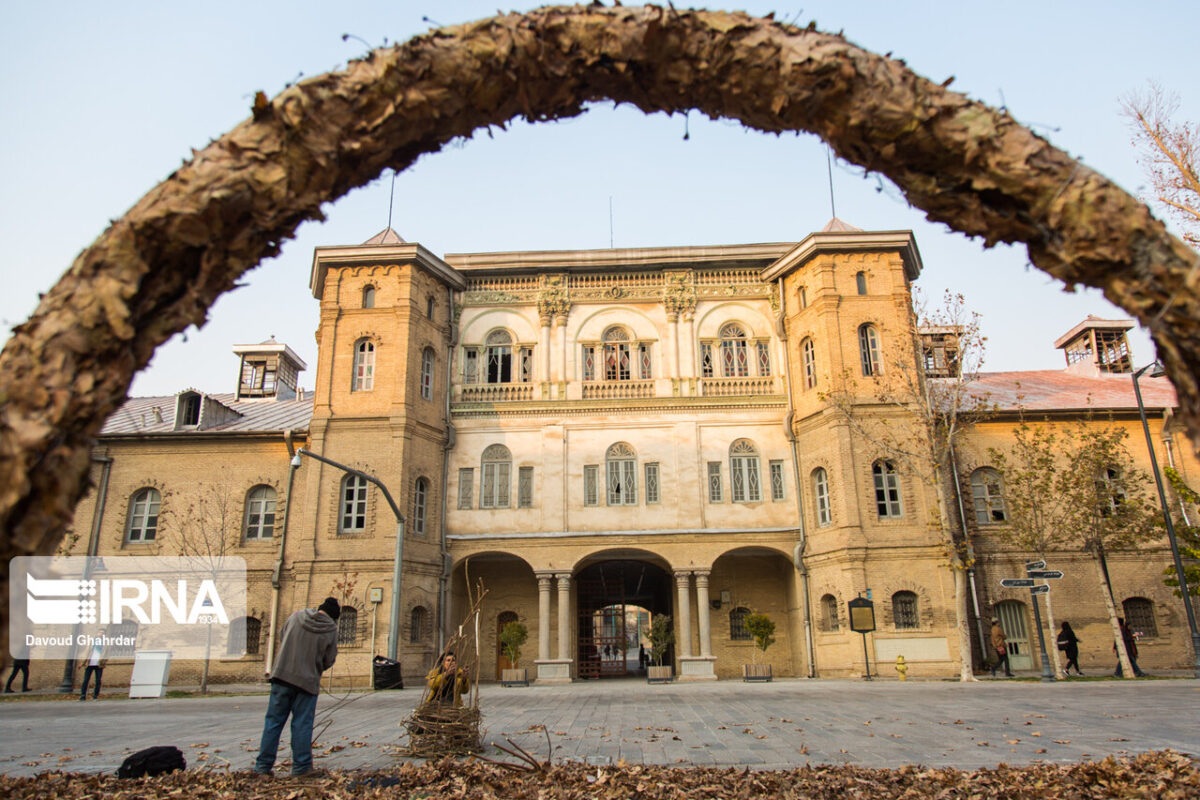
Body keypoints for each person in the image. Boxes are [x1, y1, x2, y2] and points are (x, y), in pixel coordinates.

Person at [253, 597, 340, 777]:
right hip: (306, 684)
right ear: (334, 617)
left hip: (282, 676)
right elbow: (329, 659)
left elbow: (282, 635)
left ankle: (262, 767)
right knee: (302, 725)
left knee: (273, 723)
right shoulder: (331, 629)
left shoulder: (296, 617)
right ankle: (301, 768)